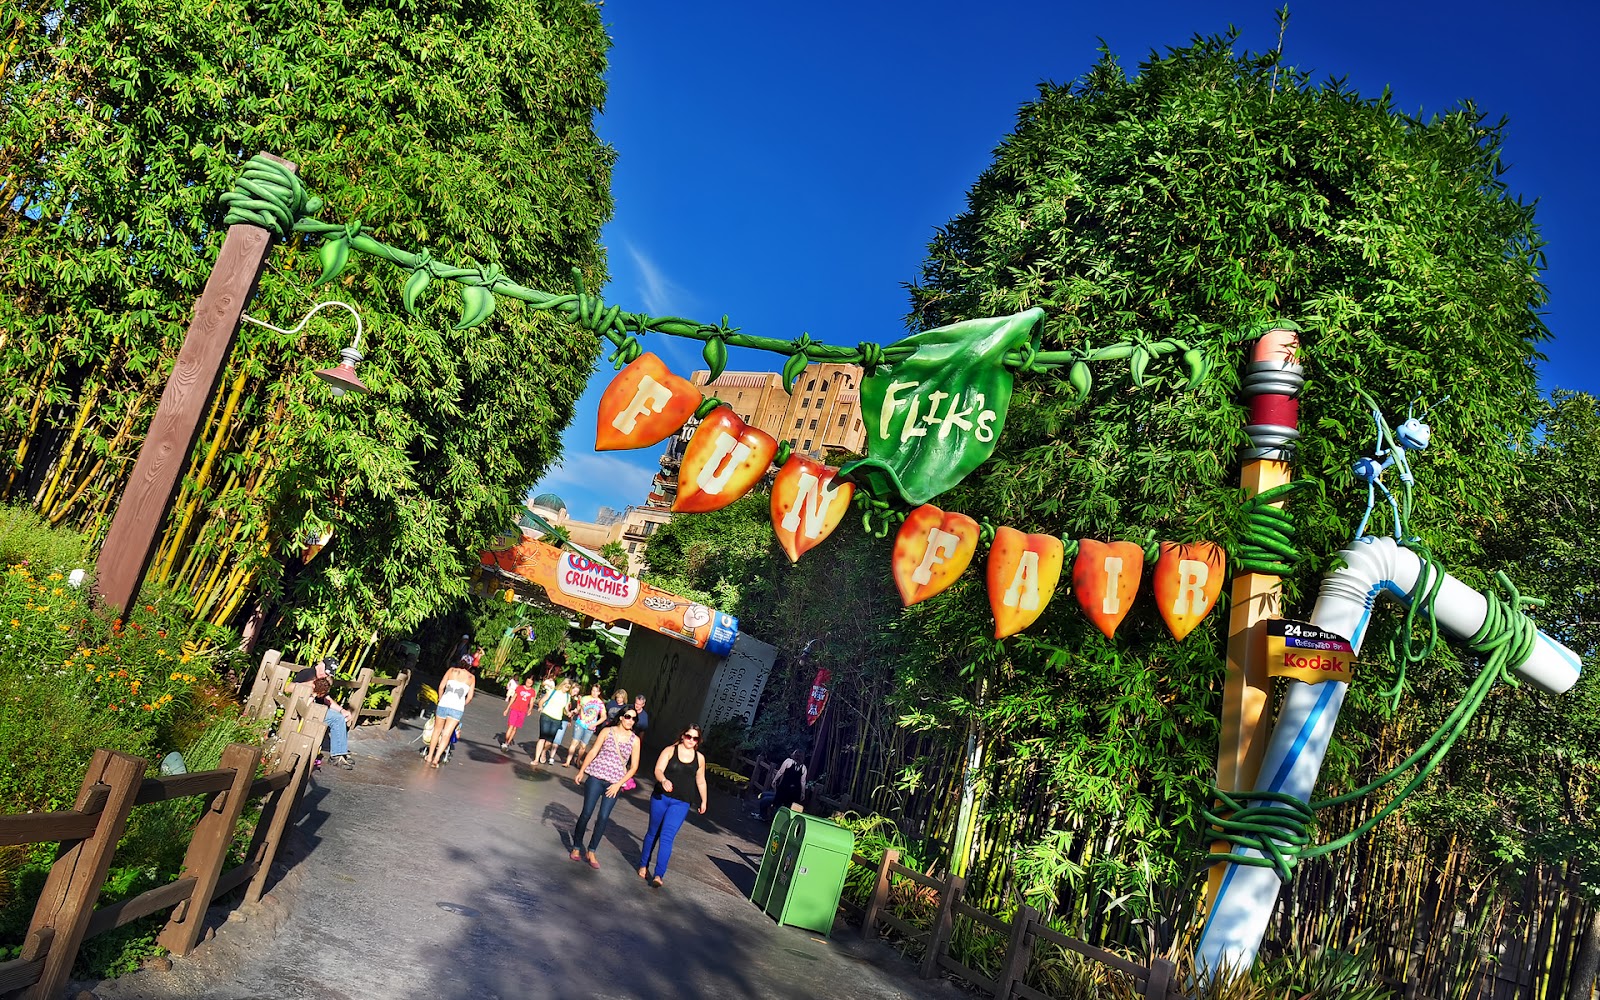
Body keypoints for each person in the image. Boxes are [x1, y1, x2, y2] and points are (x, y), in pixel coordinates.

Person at [570, 707, 640, 869]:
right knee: (587, 812)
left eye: (634, 719)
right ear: (621, 717)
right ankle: (576, 847)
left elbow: (634, 766)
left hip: (614, 783)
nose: (631, 720)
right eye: (628, 717)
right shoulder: (607, 731)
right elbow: (594, 751)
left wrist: (618, 784)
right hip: (596, 776)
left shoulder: (635, 740)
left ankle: (592, 850)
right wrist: (581, 771)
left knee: (603, 817)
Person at [638, 725, 707, 888]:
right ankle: (643, 865)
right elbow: (658, 769)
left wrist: (704, 800)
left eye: (695, 738)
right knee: (653, 832)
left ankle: (659, 875)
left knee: (667, 836)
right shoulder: (670, 750)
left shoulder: (700, 758)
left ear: (698, 741)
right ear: (682, 736)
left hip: (681, 802)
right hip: (661, 797)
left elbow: (701, 780)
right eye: (688, 736)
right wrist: (663, 780)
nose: (691, 740)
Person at [292, 657, 354, 770]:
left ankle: (340, 751)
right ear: (321, 664)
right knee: (337, 719)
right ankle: (337, 755)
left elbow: (326, 698)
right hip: (308, 708)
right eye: (325, 672)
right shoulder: (307, 673)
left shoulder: (324, 680)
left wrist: (341, 710)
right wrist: (310, 685)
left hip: (319, 708)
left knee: (340, 716)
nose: (325, 675)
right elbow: (289, 687)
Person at [428, 656, 475, 768]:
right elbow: (469, 697)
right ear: (470, 665)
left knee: (437, 731)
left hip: (444, 703)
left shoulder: (451, 671)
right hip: (457, 708)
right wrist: (461, 704)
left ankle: (429, 756)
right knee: (446, 734)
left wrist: (440, 699)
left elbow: (441, 687)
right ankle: (436, 759)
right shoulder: (471, 677)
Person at [753, 749, 807, 820]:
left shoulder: (788, 761)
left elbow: (780, 772)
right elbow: (803, 782)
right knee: (765, 794)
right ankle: (764, 815)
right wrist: (803, 793)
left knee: (764, 800)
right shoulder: (804, 768)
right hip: (793, 794)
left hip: (783, 792)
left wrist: (774, 780)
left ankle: (763, 816)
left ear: (795, 754)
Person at [563, 683, 605, 766]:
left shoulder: (600, 704)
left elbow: (604, 717)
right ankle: (568, 761)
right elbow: (578, 708)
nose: (594, 693)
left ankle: (578, 760)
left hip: (590, 726)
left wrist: (594, 724)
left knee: (583, 745)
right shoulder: (585, 698)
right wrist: (573, 712)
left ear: (599, 693)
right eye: (593, 690)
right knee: (574, 742)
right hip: (580, 723)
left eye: (596, 691)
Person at [534, 678, 571, 765]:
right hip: (546, 715)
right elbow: (542, 701)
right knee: (542, 737)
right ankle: (536, 758)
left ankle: (544, 751)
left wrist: (568, 713)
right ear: (562, 685)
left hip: (557, 719)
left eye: (568, 688)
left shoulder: (567, 696)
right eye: (566, 687)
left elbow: (565, 708)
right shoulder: (553, 691)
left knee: (549, 741)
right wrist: (540, 707)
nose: (567, 689)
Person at [502, 674, 536, 750]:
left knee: (515, 728)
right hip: (515, 709)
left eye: (530, 683)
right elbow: (513, 698)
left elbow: (531, 701)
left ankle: (507, 743)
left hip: (523, 711)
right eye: (527, 682)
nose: (528, 684)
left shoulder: (532, 692)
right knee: (511, 726)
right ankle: (506, 741)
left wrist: (530, 709)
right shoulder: (519, 688)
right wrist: (507, 708)